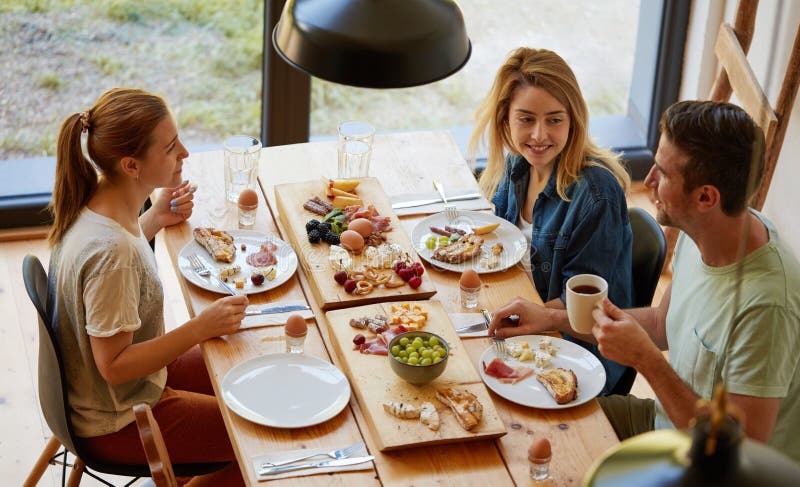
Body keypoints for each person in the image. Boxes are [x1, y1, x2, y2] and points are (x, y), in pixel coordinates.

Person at [510, 100, 800, 461]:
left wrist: (647, 361)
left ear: (706, 197)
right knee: (518, 419)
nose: (647, 181)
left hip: (710, 467)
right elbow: (663, 324)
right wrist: (552, 318)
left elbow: (740, 456)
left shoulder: (767, 307)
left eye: (662, 173)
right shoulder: (710, 233)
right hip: (665, 427)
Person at [48, 88, 248, 485]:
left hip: (123, 390)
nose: (185, 153)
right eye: (171, 147)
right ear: (131, 165)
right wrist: (199, 327)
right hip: (117, 418)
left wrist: (155, 218)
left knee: (244, 365)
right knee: (258, 437)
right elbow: (115, 367)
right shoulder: (114, 254)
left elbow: (116, 263)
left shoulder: (98, 201)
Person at [470, 47, 633, 394]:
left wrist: (513, 315)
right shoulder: (517, 167)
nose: (540, 135)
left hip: (577, 355)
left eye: (555, 119)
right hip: (526, 324)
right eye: (526, 119)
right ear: (505, 119)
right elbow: (499, 243)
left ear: (573, 119)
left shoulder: (597, 196)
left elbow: (586, 309)